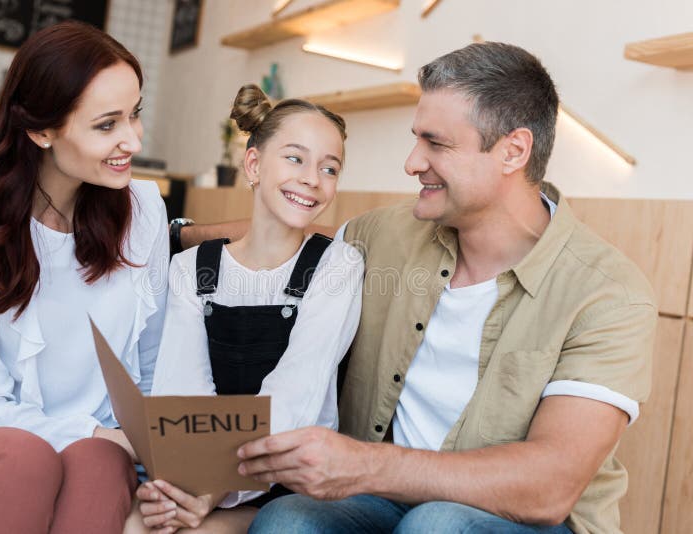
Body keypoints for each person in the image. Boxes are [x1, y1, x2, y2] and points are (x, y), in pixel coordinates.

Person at [238, 42, 657, 534]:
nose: (412, 163)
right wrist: (176, 232)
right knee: (289, 519)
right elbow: (286, 236)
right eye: (418, 140)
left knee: (437, 525)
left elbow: (549, 488)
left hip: (526, 519)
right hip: (390, 500)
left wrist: (364, 465)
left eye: (436, 144)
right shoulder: (388, 235)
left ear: (513, 151)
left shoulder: (607, 293)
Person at [0, 21, 168, 534]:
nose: (131, 139)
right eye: (107, 124)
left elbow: (149, 366)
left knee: (101, 466)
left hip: (95, 450)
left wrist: (156, 451)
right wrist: (95, 432)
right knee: (26, 457)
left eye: (135, 115)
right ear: (41, 131)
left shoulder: (144, 213)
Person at [131, 85, 364, 534]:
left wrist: (214, 491)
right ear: (254, 164)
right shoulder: (190, 269)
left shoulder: (337, 265)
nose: (313, 178)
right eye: (295, 158)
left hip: (290, 482)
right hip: (198, 472)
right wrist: (186, 487)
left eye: (329, 168)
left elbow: (293, 399)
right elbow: (180, 393)